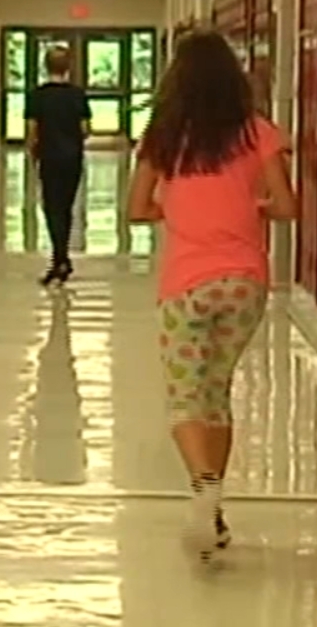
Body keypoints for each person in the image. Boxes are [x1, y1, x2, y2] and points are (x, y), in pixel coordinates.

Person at [125, 28, 297, 563]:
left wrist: (171, 212)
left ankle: (204, 491)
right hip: (245, 280)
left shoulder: (164, 135)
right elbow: (289, 206)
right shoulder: (257, 132)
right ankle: (212, 512)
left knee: (185, 396)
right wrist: (256, 208)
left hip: (186, 282)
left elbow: (136, 208)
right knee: (216, 392)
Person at [25, 46, 90, 286]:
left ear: (45, 66)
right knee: (67, 206)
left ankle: (59, 258)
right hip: (72, 157)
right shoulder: (77, 94)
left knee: (52, 207)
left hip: (49, 157)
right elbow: (85, 130)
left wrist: (32, 153)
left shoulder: (37, 95)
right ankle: (62, 258)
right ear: (68, 68)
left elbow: (32, 131)